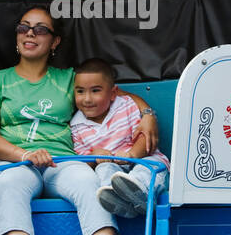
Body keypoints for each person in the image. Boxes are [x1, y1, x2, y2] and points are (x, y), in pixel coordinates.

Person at [0, 6, 159, 235]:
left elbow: (113, 94)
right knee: (11, 182)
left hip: (59, 162)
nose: (30, 34)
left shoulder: (67, 79)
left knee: (86, 178)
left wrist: (147, 114)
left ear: (54, 41)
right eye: (23, 28)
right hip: (10, 162)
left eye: (40, 30)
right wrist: (24, 154)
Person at [70, 58, 169, 218]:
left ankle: (143, 195)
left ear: (113, 93)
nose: (87, 99)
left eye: (95, 91)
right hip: (115, 169)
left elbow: (146, 138)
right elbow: (82, 159)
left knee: (148, 168)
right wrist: (95, 156)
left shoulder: (126, 105)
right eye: (80, 91)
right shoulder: (76, 125)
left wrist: (132, 156)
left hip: (142, 160)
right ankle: (118, 200)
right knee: (104, 170)